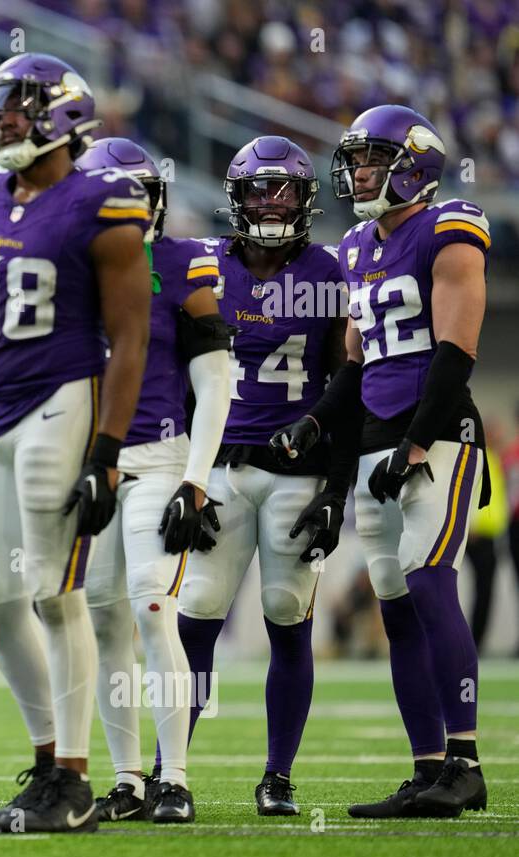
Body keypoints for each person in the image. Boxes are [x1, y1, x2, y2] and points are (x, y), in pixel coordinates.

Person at [0, 53, 153, 833]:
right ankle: (48, 758)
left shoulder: (102, 201)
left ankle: (77, 780)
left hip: (63, 396)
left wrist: (107, 450)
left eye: (19, 108)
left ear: (64, 116)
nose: (2, 121)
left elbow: (129, 335)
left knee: (56, 591)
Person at [277, 105, 491, 817]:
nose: (360, 172)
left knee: (431, 583)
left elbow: (456, 353)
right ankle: (428, 768)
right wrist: (316, 432)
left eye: (374, 159)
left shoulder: (449, 226)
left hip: (437, 439)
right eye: (357, 160)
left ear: (416, 165)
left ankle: (465, 761)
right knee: (396, 612)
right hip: (373, 443)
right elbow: (352, 369)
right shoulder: (355, 248)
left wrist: (419, 442)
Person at [174, 136, 352, 816]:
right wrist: (179, 476)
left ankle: (277, 776)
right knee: (193, 619)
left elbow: (345, 384)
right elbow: (174, 377)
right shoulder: (205, 266)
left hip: (296, 474)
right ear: (235, 196)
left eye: (283, 189)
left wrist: (337, 490)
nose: (270, 201)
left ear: (305, 199)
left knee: (286, 618)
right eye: (258, 189)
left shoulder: (328, 272)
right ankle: (170, 769)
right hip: (216, 469)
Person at [77, 138, 232, 824]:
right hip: (89, 469)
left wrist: (196, 480)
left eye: (140, 195)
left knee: (151, 608)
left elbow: (215, 378)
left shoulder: (180, 263)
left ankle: (176, 777)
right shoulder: (60, 274)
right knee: (103, 620)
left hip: (159, 460)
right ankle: (127, 779)